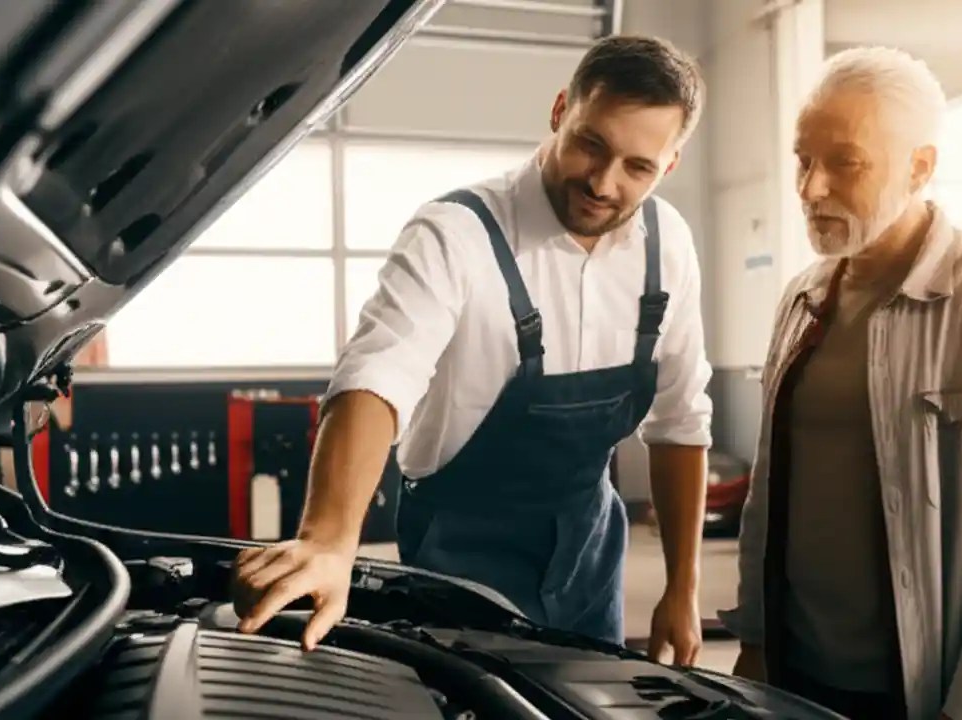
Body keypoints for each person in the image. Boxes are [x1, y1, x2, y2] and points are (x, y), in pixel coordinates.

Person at [231, 35, 713, 665]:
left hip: (588, 556)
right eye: (591, 143)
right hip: (457, 556)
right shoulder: (455, 234)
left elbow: (680, 423)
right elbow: (378, 375)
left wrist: (683, 588)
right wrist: (329, 540)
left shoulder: (666, 244)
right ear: (560, 109)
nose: (603, 181)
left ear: (669, 166)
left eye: (637, 167)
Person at [719, 47, 962, 719]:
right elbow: (767, 494)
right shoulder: (801, 300)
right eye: (803, 160)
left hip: (928, 691)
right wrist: (754, 640)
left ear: (920, 166)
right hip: (794, 676)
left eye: (845, 163)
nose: (811, 188)